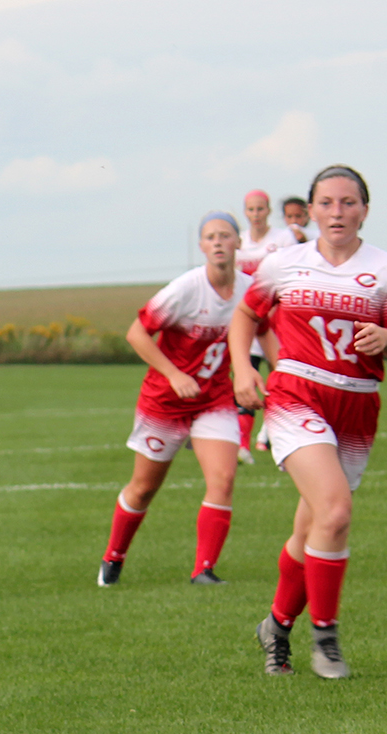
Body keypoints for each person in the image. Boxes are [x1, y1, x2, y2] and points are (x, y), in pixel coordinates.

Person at [230, 165, 387, 678]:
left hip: (356, 405)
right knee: (334, 512)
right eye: (327, 203)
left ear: (365, 209)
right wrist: (242, 366)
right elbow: (246, 314)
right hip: (296, 396)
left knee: (314, 526)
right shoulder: (283, 262)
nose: (337, 212)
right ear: (310, 210)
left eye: (349, 202)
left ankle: (276, 626)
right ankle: (327, 636)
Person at [98, 211, 273, 589]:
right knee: (144, 487)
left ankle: (203, 571)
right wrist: (174, 374)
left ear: (238, 243)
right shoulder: (185, 289)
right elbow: (136, 333)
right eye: (210, 237)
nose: (218, 242)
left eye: (225, 235)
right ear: (201, 247)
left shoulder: (250, 288)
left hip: (214, 398)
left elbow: (267, 329)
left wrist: (279, 373)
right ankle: (114, 556)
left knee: (224, 478)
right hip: (165, 401)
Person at [235, 191, 290, 456]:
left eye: (260, 209)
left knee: (281, 376)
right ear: (245, 212)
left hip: (278, 318)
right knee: (247, 373)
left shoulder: (282, 239)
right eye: (251, 209)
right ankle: (243, 444)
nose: (256, 214)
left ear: (268, 211)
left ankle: (277, 436)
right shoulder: (239, 241)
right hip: (250, 317)